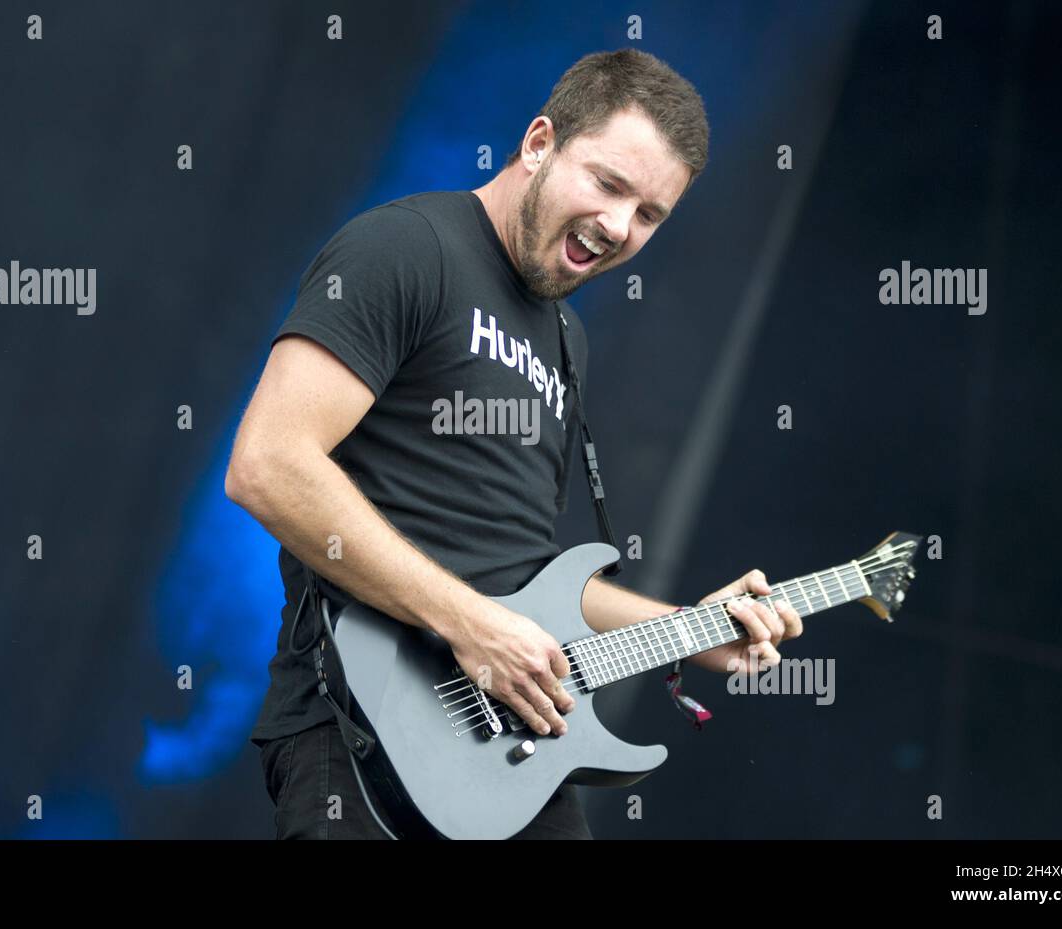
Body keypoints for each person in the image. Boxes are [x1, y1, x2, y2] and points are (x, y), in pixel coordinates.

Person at [225, 48, 802, 840]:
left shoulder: (567, 339)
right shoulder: (404, 248)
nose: (618, 227)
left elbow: (528, 577)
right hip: (356, 729)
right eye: (607, 184)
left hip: (511, 750)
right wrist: (470, 624)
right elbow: (267, 465)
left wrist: (690, 628)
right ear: (539, 143)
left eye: (650, 215)